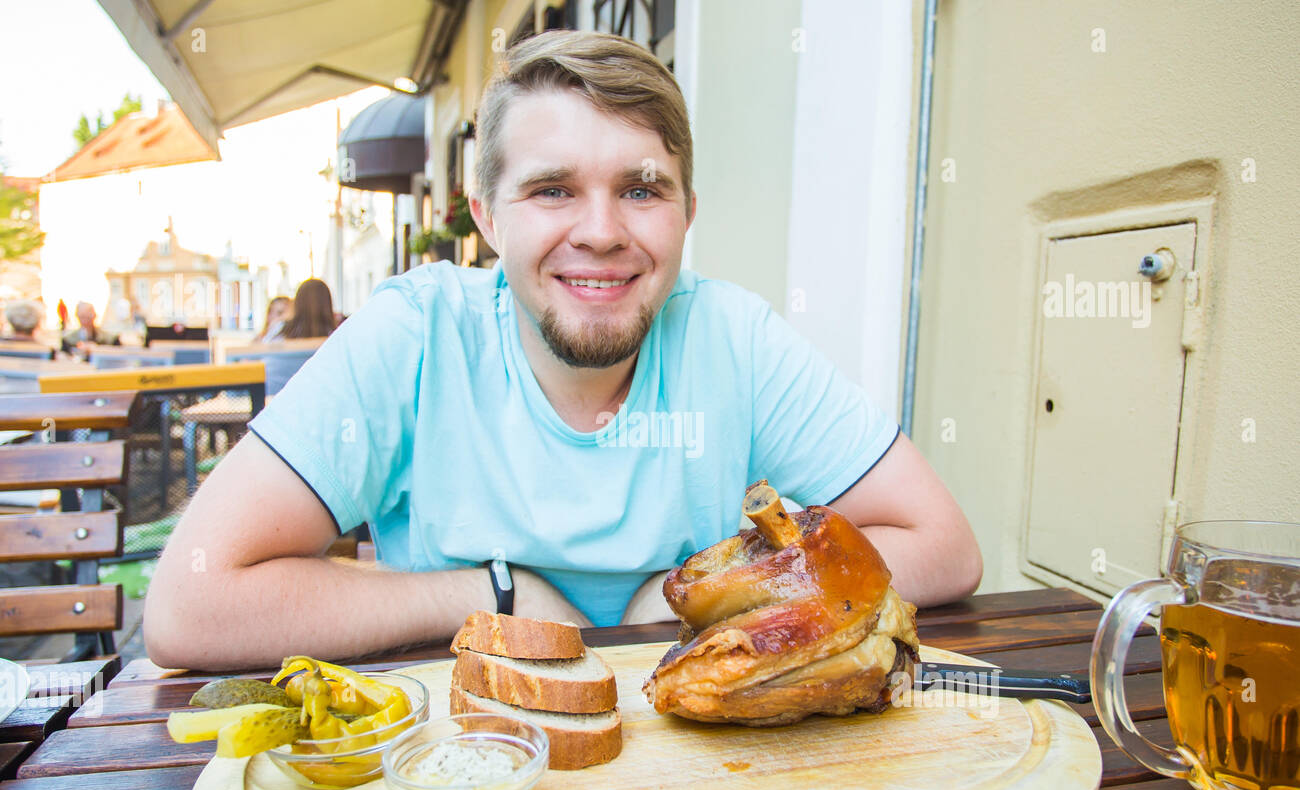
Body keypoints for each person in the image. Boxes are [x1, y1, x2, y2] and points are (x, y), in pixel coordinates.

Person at [144, 31, 982, 670]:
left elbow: (943, 545)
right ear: (486, 216)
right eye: (552, 190)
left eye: (641, 190)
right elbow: (189, 603)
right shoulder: (415, 336)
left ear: (687, 210)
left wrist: (708, 597)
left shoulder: (734, 337)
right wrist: (497, 596)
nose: (601, 232)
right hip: (464, 776)